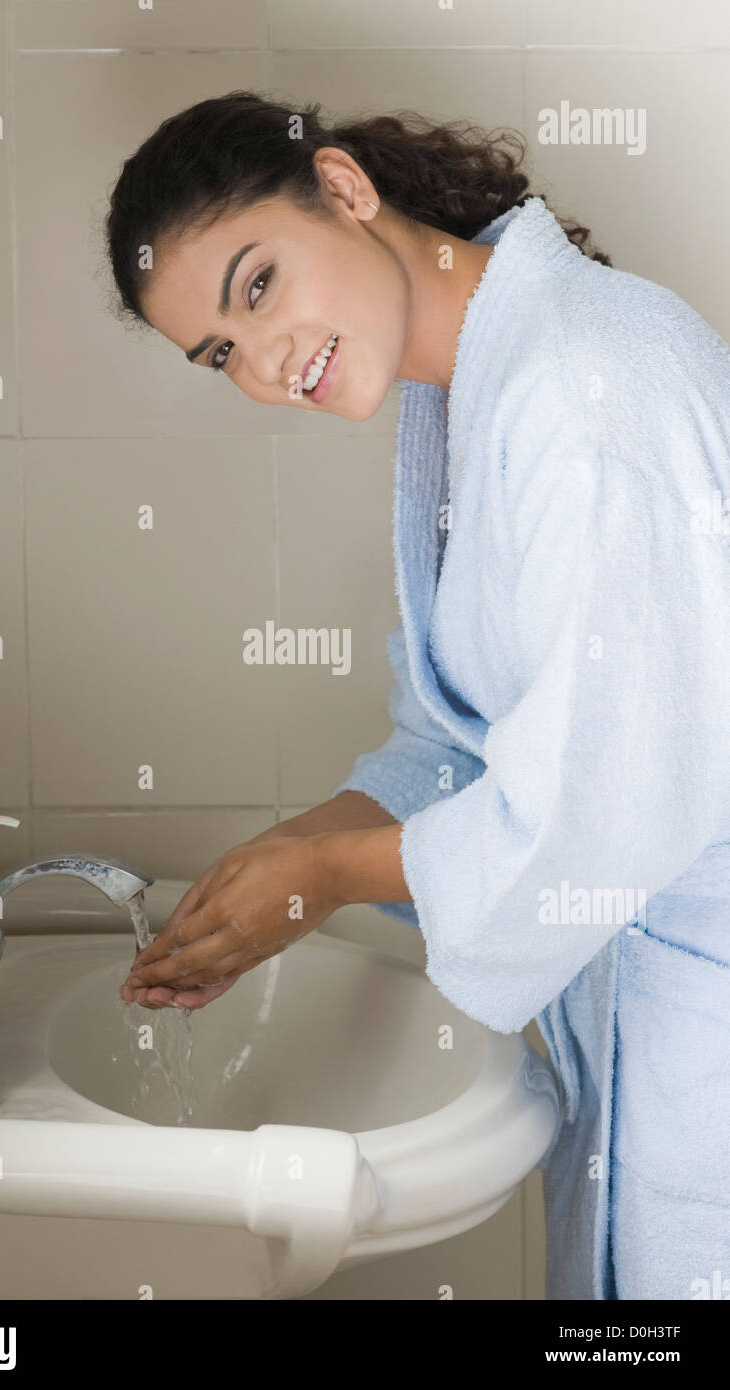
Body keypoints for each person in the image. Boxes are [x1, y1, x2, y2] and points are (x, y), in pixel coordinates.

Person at [104, 91, 730, 1300]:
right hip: (651, 1013)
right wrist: (289, 853)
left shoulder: (589, 393)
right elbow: (464, 734)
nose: (266, 358)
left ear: (341, 189)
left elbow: (595, 810)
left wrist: (331, 875)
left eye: (257, 285)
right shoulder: (472, 386)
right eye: (223, 353)